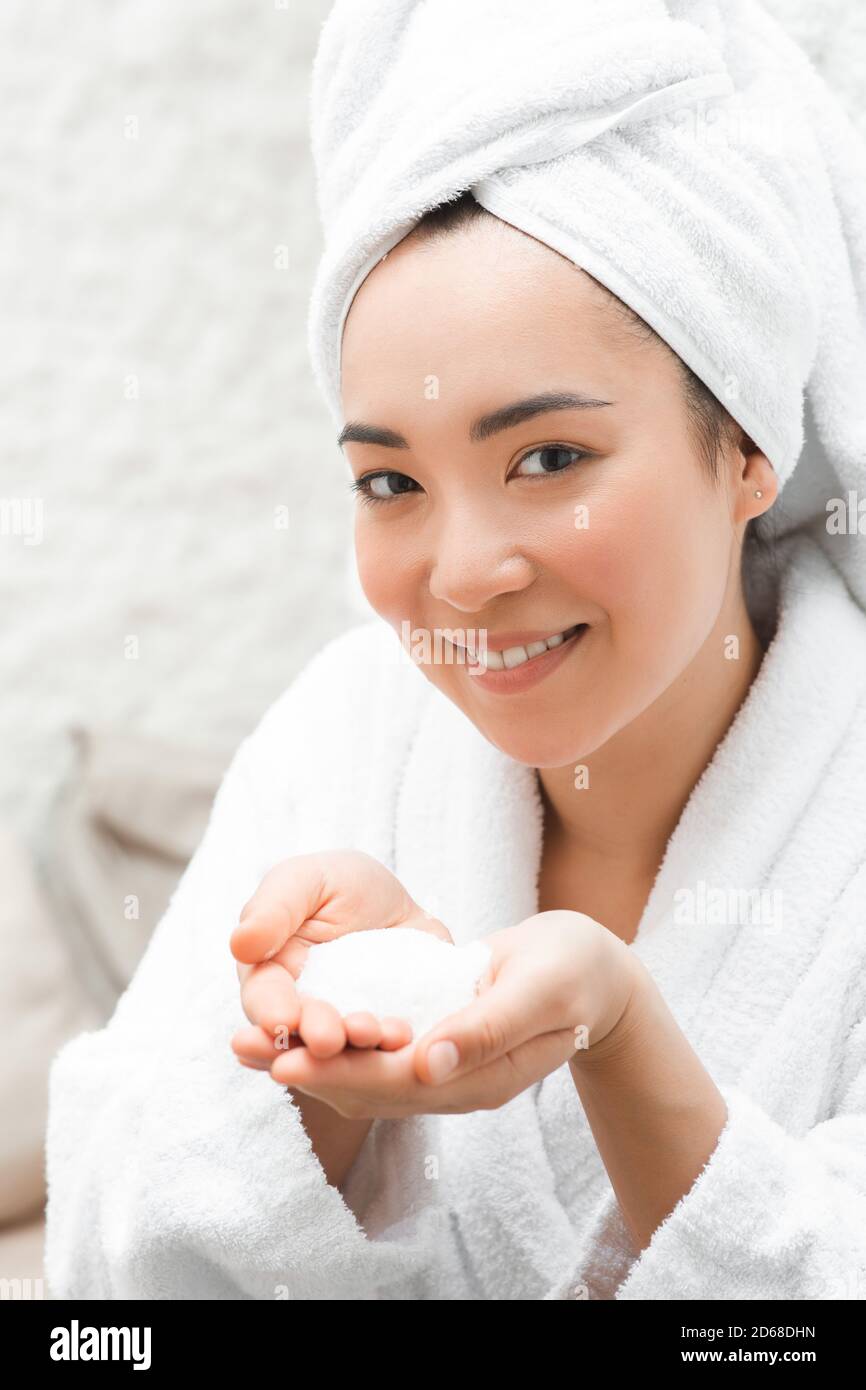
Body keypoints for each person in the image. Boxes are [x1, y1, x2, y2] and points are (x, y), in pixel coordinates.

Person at [45, 0, 866, 1300]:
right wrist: (318, 1087)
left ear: (747, 446)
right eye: (391, 482)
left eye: (549, 457)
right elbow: (104, 1284)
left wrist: (621, 1041)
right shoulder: (343, 738)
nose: (465, 572)